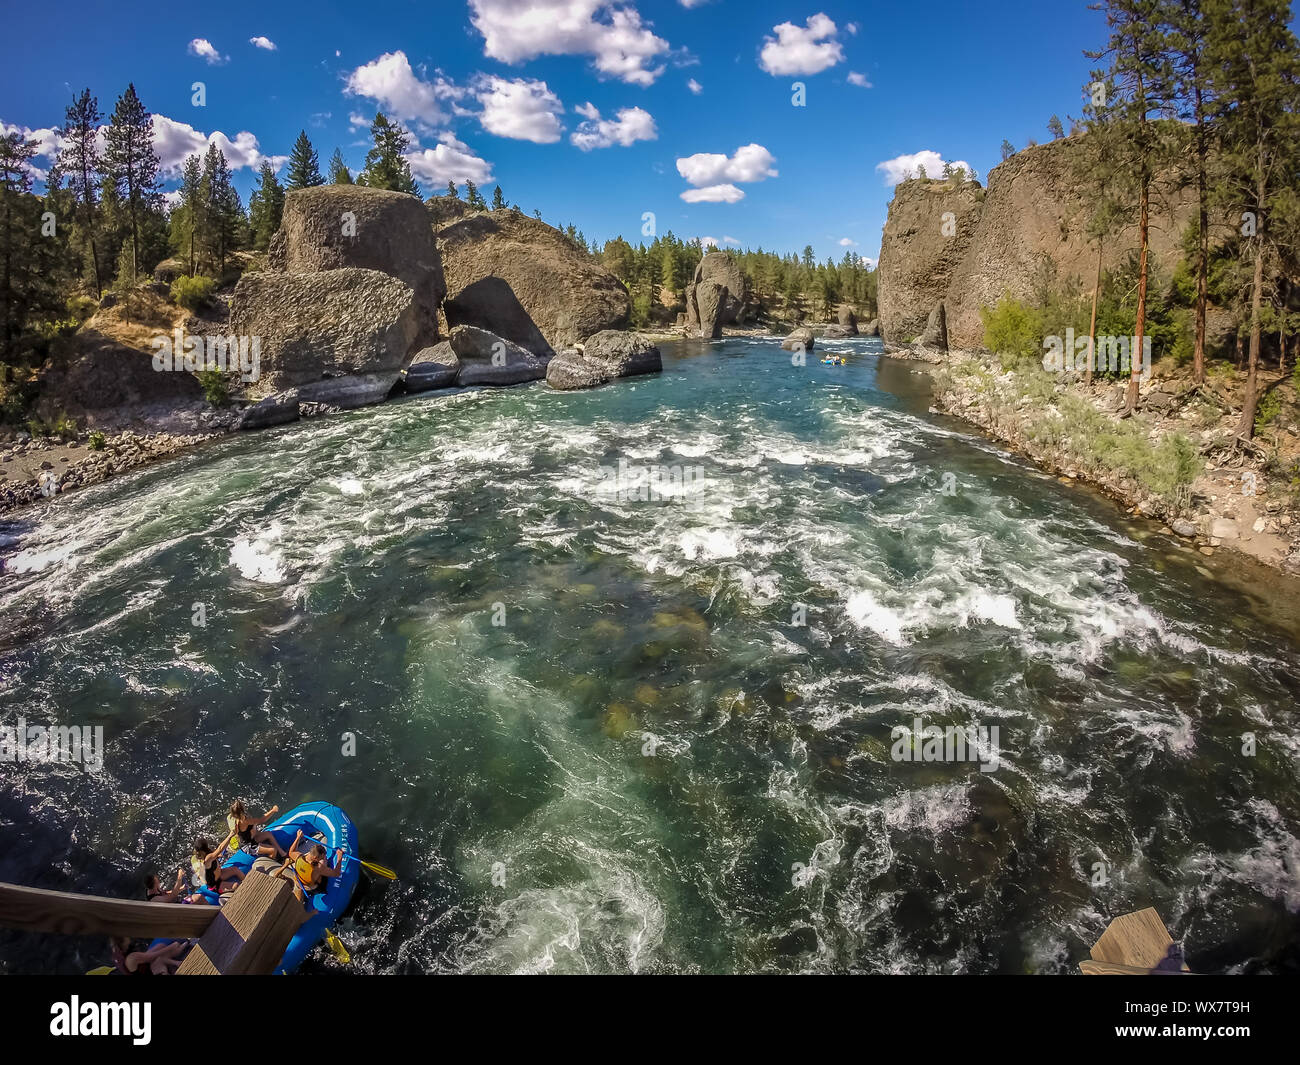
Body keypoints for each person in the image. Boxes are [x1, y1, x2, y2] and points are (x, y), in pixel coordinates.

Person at [269, 830, 343, 903]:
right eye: (322, 856)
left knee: (321, 863)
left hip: (299, 883)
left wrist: (298, 837)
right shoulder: (318, 867)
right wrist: (339, 857)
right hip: (312, 888)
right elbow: (337, 873)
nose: (323, 857)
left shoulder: (298, 857)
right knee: (324, 862)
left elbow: (291, 851)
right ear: (315, 858)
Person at [109, 936, 188, 975]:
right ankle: (184, 946)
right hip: (152, 971)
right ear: (122, 942)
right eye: (127, 937)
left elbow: (147, 955)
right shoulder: (131, 958)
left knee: (159, 946)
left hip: (147, 967)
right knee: (159, 959)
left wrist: (161, 947)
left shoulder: (118, 953)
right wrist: (172, 947)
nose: (129, 938)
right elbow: (155, 956)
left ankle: (180, 951)